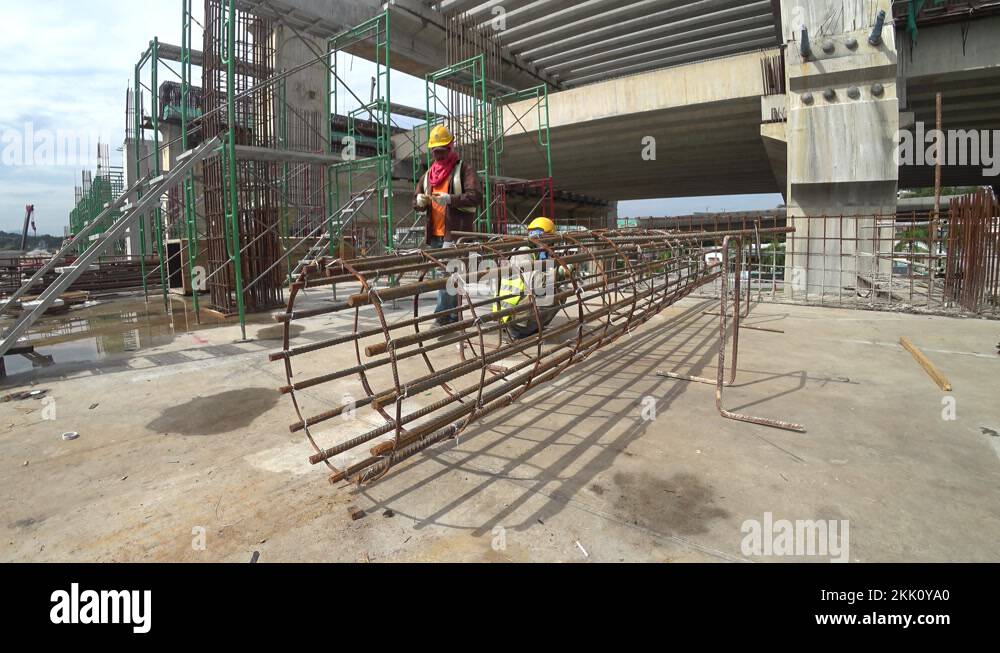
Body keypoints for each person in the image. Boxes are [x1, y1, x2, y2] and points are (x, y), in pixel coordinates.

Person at [413, 125, 483, 326]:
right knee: (450, 278)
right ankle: (454, 315)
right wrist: (419, 202)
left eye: (443, 150)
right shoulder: (428, 175)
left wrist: (451, 199)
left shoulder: (463, 169)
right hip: (434, 235)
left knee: (448, 276)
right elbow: (415, 200)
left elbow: (476, 197)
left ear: (450, 147)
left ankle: (442, 316)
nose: (439, 155)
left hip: (454, 234)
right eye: (435, 151)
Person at [493, 217, 565, 341]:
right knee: (554, 296)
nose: (552, 244)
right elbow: (535, 283)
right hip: (510, 316)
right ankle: (519, 332)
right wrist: (557, 273)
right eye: (551, 239)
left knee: (558, 293)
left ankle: (533, 328)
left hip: (517, 308)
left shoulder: (534, 252)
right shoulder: (524, 252)